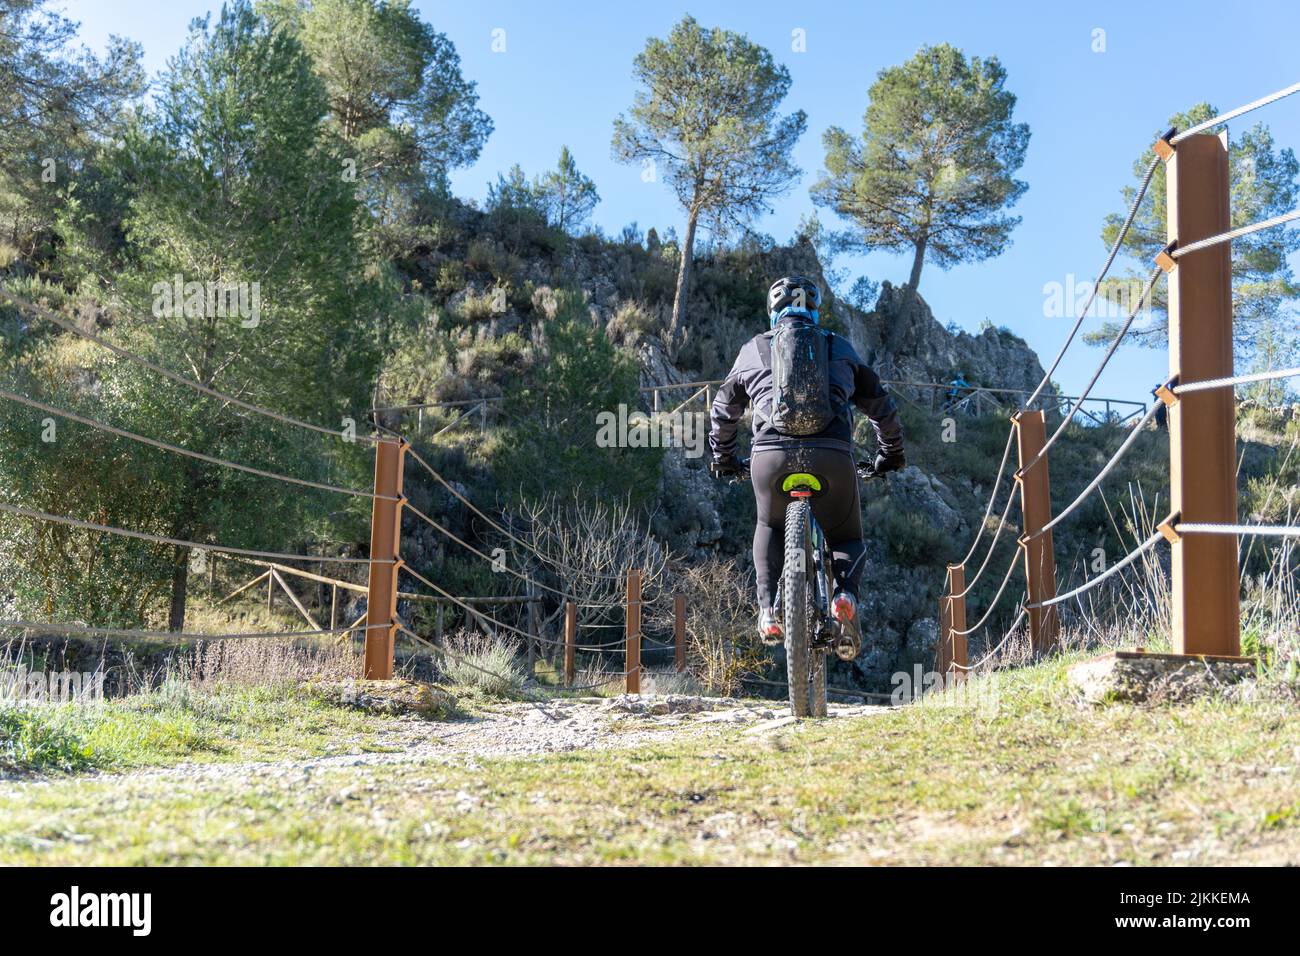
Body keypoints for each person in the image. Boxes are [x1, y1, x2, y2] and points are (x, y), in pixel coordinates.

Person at [708, 275, 906, 652]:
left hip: (771, 458)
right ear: (815, 312)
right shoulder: (839, 347)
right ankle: (844, 596)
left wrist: (725, 458)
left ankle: (768, 611)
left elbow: (723, 411)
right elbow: (882, 408)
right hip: (831, 455)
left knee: (768, 523)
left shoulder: (754, 349)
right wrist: (889, 455)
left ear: (772, 313)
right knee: (846, 535)